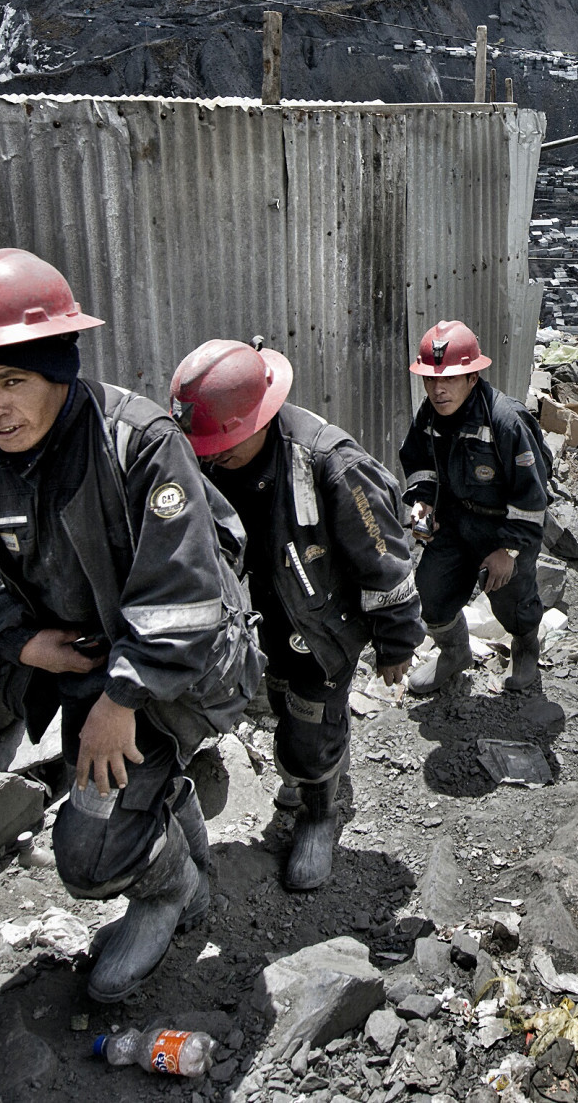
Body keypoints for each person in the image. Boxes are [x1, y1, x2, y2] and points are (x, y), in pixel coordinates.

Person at [0, 248, 263, 1004]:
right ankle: (174, 859)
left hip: (177, 670)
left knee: (84, 859)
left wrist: (120, 703)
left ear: (60, 370)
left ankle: (163, 890)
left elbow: (185, 594)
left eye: (12, 381)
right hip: (84, 672)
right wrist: (19, 640)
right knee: (98, 832)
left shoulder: (138, 442)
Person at [173, 336, 424, 891]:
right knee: (285, 708)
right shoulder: (212, 458)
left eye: (222, 448)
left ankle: (319, 814)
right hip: (265, 615)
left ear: (259, 419)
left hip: (323, 625)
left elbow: (384, 561)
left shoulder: (328, 464)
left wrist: (397, 643)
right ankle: (315, 772)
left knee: (310, 723)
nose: (212, 458)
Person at [398, 320, 552, 699]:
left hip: (503, 527)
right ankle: (454, 652)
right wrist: (423, 504)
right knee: (431, 593)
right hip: (454, 521)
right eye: (431, 380)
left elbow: (532, 500)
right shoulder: (430, 415)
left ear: (472, 377)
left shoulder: (505, 421)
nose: (438, 389)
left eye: (450, 379)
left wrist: (509, 551)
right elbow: (420, 464)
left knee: (513, 598)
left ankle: (525, 647)